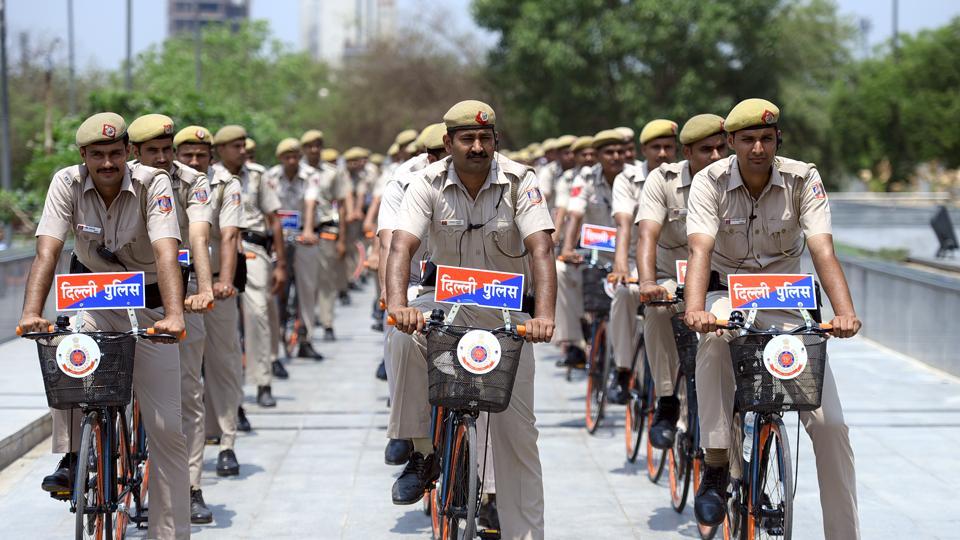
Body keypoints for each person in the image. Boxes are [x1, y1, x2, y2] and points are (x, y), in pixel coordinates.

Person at [684, 99, 861, 539]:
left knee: (831, 426)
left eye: (766, 138)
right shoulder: (709, 181)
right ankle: (718, 460)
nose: (758, 148)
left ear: (777, 138)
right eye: (747, 140)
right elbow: (699, 250)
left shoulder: (804, 178)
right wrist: (696, 310)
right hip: (728, 295)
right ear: (731, 143)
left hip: (786, 301)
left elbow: (822, 249)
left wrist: (845, 313)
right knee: (713, 339)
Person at [386, 100, 555, 539]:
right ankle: (421, 451)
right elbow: (401, 247)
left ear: (495, 140)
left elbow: (541, 248)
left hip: (504, 311)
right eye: (467, 138)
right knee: (401, 339)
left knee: (519, 438)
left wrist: (545, 317)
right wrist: (395, 305)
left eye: (485, 138)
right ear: (449, 143)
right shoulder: (425, 182)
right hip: (442, 304)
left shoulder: (521, 181)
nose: (477, 146)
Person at [21, 112, 190, 538]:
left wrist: (174, 315)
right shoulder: (66, 183)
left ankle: (170, 533)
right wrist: (30, 312)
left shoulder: (154, 183)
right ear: (84, 156)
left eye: (116, 153)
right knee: (69, 352)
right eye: (98, 155)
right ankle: (74, 456)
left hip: (150, 302)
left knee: (167, 428)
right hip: (92, 293)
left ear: (129, 153)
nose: (108, 162)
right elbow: (47, 251)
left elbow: (168, 251)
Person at [129, 114, 222, 524]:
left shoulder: (193, 180)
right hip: (125, 288)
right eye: (154, 152)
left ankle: (191, 485)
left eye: (168, 150)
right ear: (137, 153)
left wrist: (203, 288)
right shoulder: (121, 175)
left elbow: (199, 235)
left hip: (178, 292)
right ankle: (93, 458)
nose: (163, 158)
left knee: (187, 394)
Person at [634, 114, 726, 448]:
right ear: (687, 152)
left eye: (720, 148)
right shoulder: (663, 180)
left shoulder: (734, 178)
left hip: (722, 285)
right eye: (706, 150)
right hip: (673, 279)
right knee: (657, 309)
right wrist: (646, 283)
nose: (716, 156)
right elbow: (647, 234)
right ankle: (667, 399)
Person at [174, 124, 245, 490]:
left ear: (211, 157)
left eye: (202, 155)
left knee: (223, 361)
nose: (195, 160)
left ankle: (227, 440)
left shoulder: (225, 184)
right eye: (188, 155)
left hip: (216, 282)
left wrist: (223, 282)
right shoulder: (164, 181)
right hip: (175, 284)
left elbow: (229, 234)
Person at [375, 121, 448, 466]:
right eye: (438, 155)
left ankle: (491, 491)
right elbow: (391, 244)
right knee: (398, 333)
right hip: (416, 278)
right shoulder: (405, 180)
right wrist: (392, 296)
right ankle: (411, 438)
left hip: (474, 286)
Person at [213, 125, 287, 408]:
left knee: (257, 311)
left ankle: (263, 381)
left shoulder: (257, 176)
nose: (243, 151)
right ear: (220, 150)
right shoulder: (210, 177)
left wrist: (280, 264)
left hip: (253, 248)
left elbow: (274, 219)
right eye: (236, 146)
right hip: (220, 248)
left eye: (244, 145)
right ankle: (229, 398)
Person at [606, 119, 678, 403]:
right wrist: (621, 265)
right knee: (624, 292)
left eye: (668, 147)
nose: (662, 153)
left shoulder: (689, 177)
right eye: (656, 147)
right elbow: (624, 225)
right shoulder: (627, 179)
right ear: (643, 150)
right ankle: (623, 369)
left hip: (681, 265)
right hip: (640, 262)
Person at [554, 130, 625, 369]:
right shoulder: (585, 178)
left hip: (632, 255)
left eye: (620, 151)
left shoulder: (636, 176)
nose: (615, 157)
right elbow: (574, 214)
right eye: (609, 152)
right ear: (598, 156)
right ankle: (575, 341)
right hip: (598, 251)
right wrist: (565, 248)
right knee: (561, 270)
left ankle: (626, 368)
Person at [265, 138, 328, 357]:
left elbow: (310, 202)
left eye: (295, 156)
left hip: (303, 234)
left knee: (307, 287)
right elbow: (269, 208)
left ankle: (305, 338)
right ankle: (276, 340)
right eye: (287, 157)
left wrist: (309, 230)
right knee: (274, 285)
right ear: (280, 158)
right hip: (277, 234)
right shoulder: (270, 176)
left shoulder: (310, 175)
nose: (292, 161)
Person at [551, 135, 596, 249]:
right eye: (584, 155)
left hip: (604, 236)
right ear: (575, 156)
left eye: (592, 154)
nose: (589, 158)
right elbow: (562, 210)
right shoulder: (567, 178)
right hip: (575, 236)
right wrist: (554, 240)